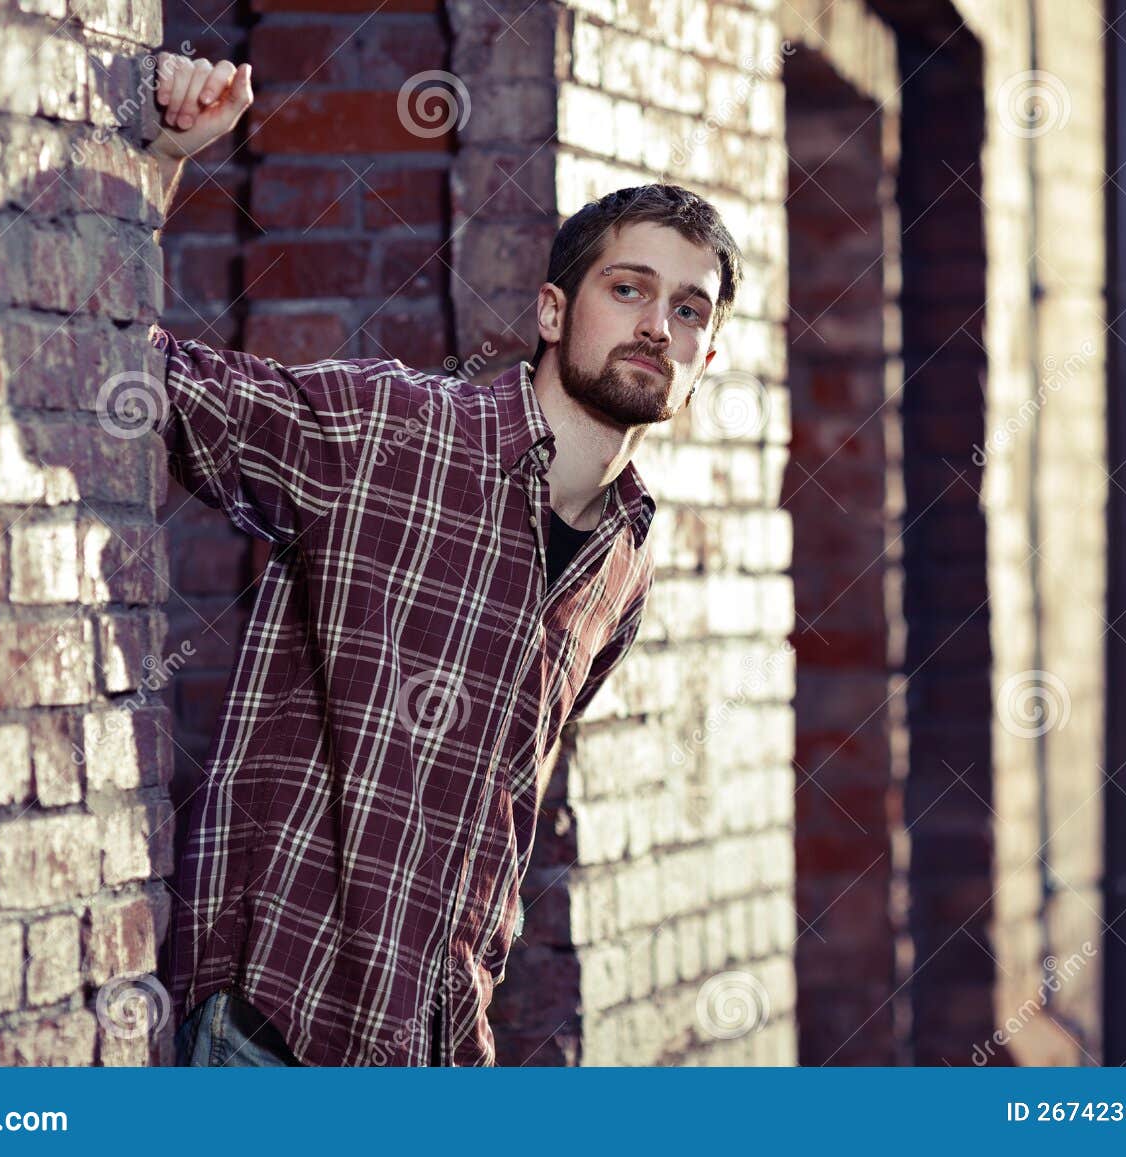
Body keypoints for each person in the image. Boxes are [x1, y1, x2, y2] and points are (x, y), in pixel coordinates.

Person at [143, 51, 743, 1066]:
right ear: (555, 312)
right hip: (275, 1024)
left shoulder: (623, 555)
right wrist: (162, 164)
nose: (657, 324)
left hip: (434, 1045)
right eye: (629, 289)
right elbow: (146, 378)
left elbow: (505, 801)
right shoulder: (399, 428)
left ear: (706, 356)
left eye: (689, 309)